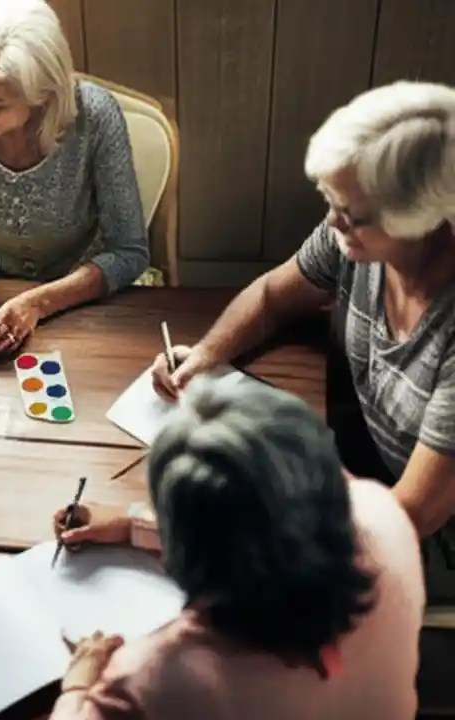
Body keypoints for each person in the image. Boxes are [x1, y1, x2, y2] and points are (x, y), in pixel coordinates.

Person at [148, 81, 455, 547]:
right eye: (330, 202)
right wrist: (209, 356)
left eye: (350, 213)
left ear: (423, 216)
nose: (333, 223)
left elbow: (408, 515)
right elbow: (273, 294)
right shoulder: (350, 236)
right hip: (363, 465)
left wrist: (274, 466)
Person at [47, 378, 423, 719]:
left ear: (188, 563)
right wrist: (134, 526)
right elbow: (277, 520)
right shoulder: (384, 514)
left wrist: (78, 686)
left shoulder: (156, 680)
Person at [0, 0, 148, 358]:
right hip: (3, 293)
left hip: (87, 295)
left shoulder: (94, 117)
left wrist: (38, 303)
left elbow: (129, 252)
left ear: (42, 96)